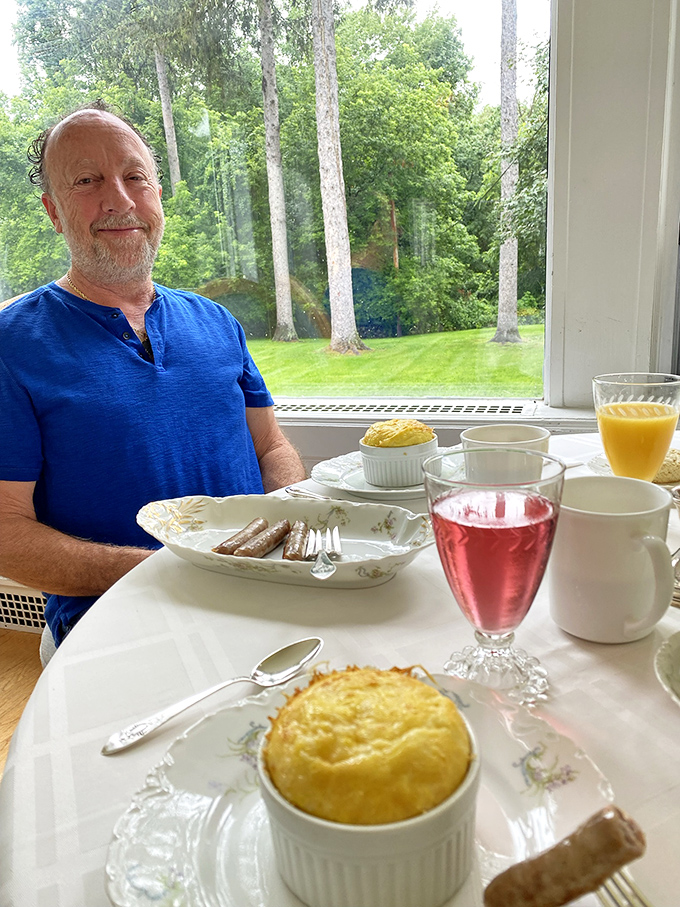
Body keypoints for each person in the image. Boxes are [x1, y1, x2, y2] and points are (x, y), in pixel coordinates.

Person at [0, 102, 306, 647]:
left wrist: (292, 527)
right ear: (53, 211)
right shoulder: (12, 344)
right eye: (88, 180)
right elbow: (6, 534)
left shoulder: (218, 321)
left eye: (134, 176)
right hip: (118, 628)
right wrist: (171, 572)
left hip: (262, 602)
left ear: (157, 196)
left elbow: (271, 447)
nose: (118, 199)